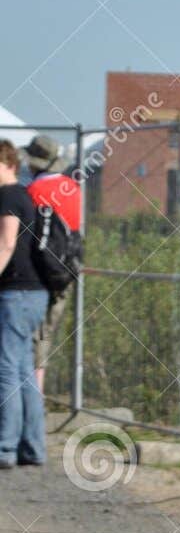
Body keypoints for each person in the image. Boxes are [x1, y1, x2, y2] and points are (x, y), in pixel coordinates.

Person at [0, 139, 48, 468]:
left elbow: (5, 244)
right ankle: (32, 447)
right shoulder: (25, 195)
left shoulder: (8, 197)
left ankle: (5, 447)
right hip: (34, 292)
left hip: (15, 292)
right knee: (23, 371)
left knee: (5, 370)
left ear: (9, 163)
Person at [23, 134, 83, 391]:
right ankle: (38, 391)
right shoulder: (73, 187)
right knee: (46, 334)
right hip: (65, 270)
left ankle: (28, 397)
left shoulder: (32, 192)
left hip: (36, 273)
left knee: (28, 338)